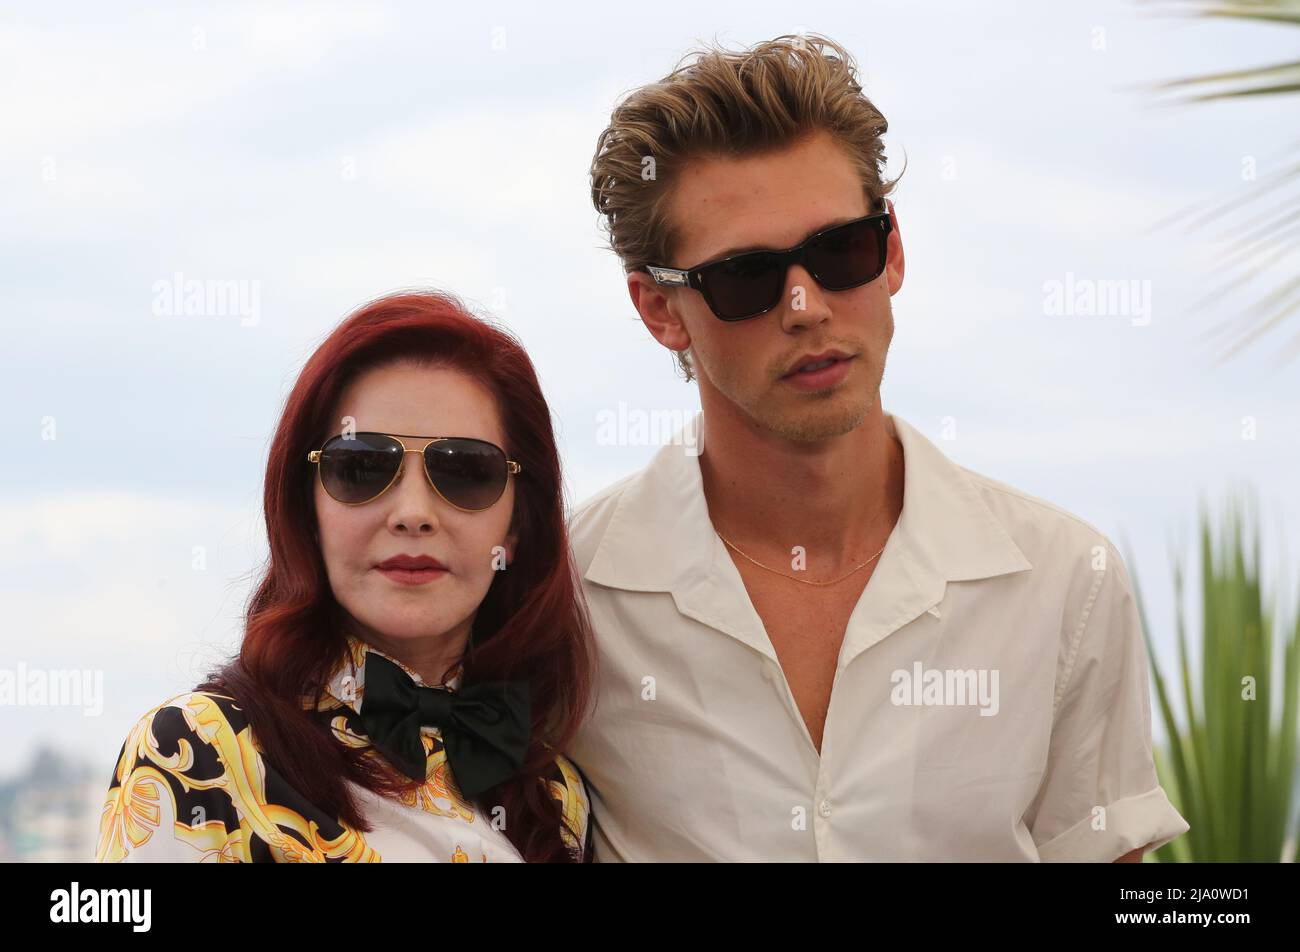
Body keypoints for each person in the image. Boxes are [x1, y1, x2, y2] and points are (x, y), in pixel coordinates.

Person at [569, 33, 1190, 861]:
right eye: (748, 276)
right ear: (659, 311)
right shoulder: (566, 595)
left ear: (891, 248)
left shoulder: (1064, 581)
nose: (805, 305)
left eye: (839, 252)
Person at [95, 291, 596, 862]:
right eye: (361, 467)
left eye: (464, 471)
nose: (413, 512)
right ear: (308, 511)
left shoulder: (554, 795)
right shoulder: (198, 752)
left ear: (517, 525)